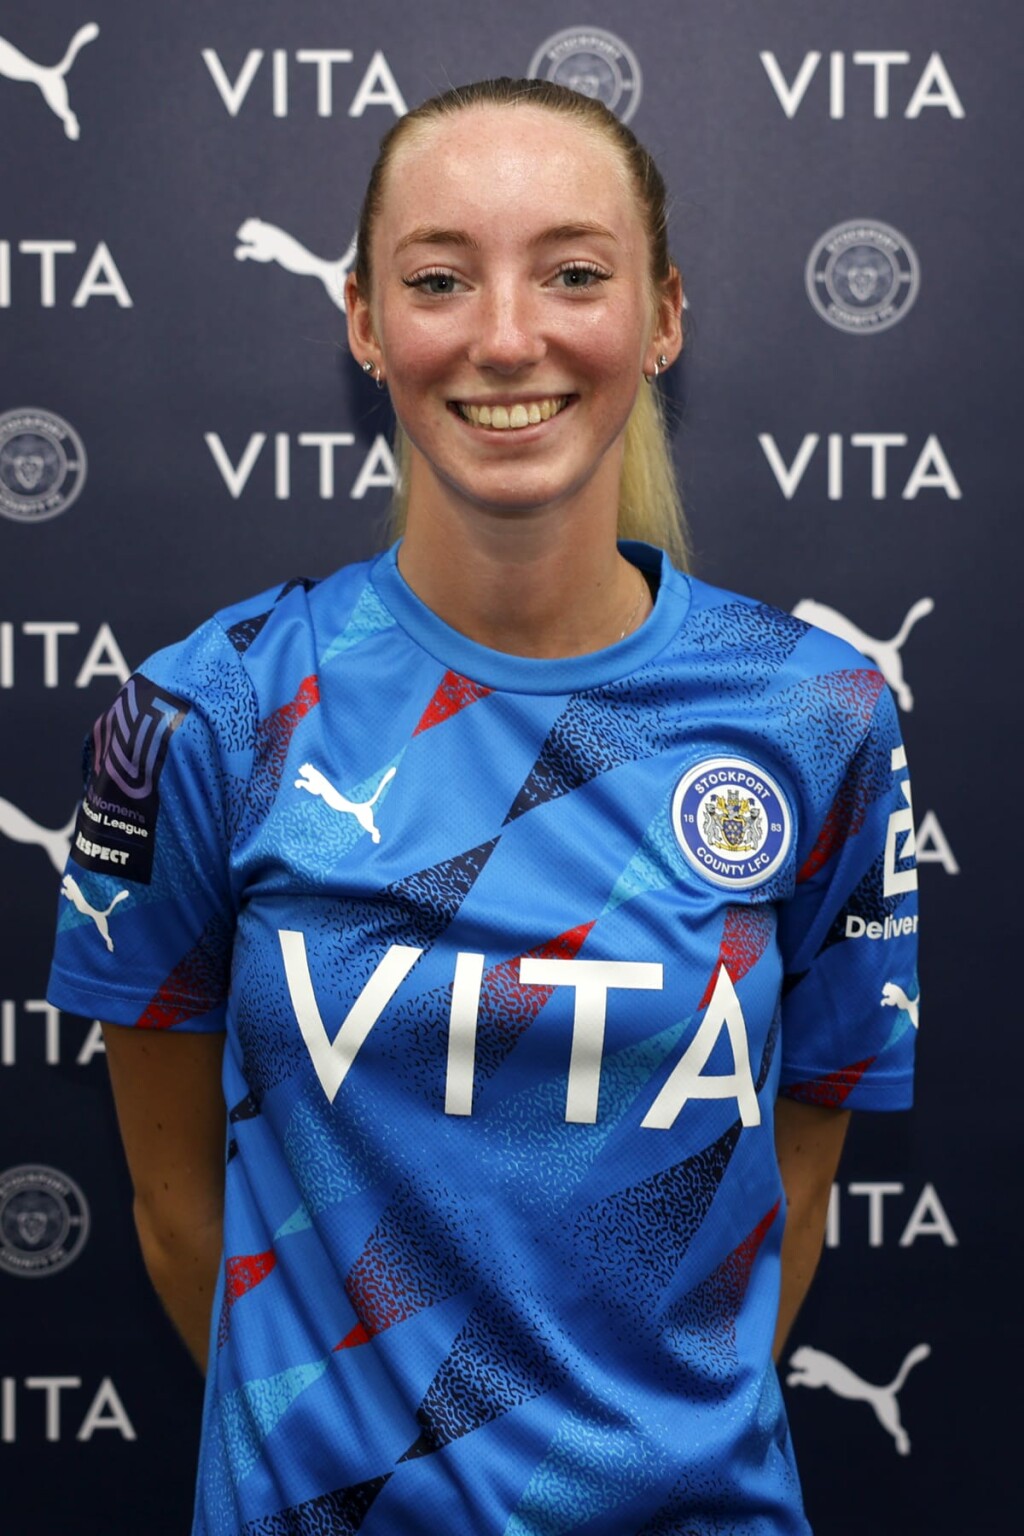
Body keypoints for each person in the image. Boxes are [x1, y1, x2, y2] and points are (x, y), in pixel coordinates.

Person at [48, 78, 918, 1536]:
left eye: (574, 274)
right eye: (440, 279)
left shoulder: (820, 716)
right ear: (366, 324)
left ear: (662, 320)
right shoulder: (199, 714)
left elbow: (797, 1185)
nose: (508, 336)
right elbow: (172, 1203)